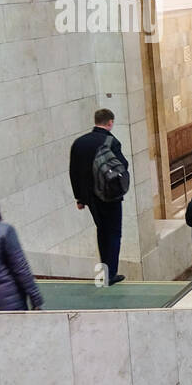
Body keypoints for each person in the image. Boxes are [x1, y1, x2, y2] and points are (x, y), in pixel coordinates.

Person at [69, 108, 129, 285]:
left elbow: (74, 172)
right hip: (109, 196)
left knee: (101, 231)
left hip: (90, 197)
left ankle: (105, 271)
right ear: (109, 122)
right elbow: (123, 165)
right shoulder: (110, 141)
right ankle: (112, 273)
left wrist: (79, 198)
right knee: (114, 233)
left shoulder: (79, 143)